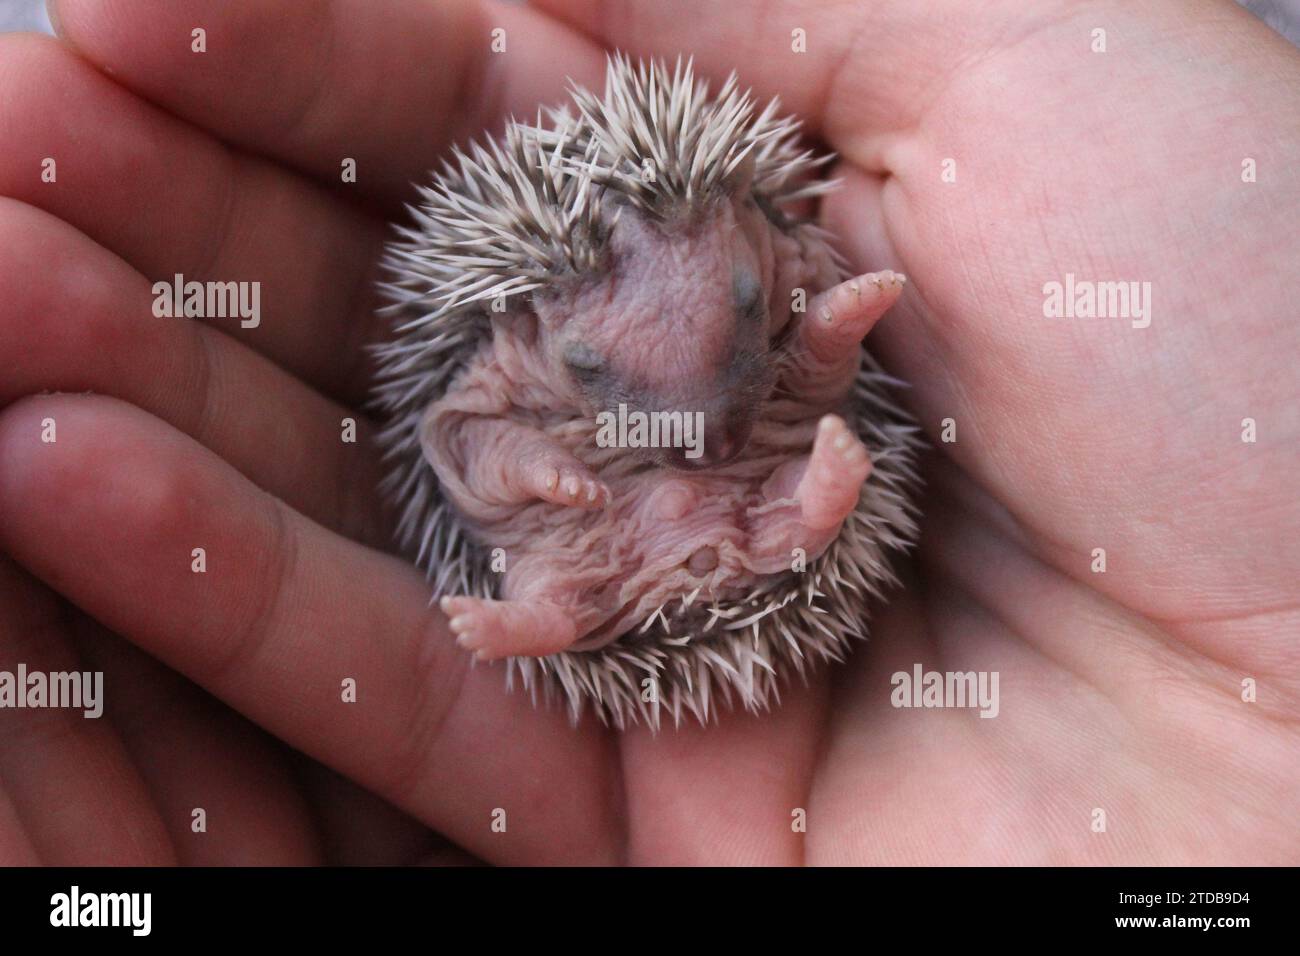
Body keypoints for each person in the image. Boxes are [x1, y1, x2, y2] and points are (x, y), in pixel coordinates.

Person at [0, 0, 1296, 865]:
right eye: (596, 365)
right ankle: (558, 607)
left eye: (746, 297)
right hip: (606, 521)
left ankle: (790, 503)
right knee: (540, 507)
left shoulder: (759, 259)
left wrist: (815, 333)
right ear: (521, 330)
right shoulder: (485, 357)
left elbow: (746, 369)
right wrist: (553, 464)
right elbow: (476, 447)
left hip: (743, 485)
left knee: (781, 418)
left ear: (756, 235)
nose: (693, 414)